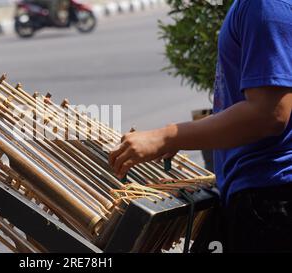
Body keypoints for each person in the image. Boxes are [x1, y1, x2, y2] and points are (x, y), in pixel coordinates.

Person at [109, 0, 292, 252]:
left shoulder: (264, 5)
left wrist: (168, 137)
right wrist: (177, 134)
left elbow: (268, 114)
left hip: (271, 201)